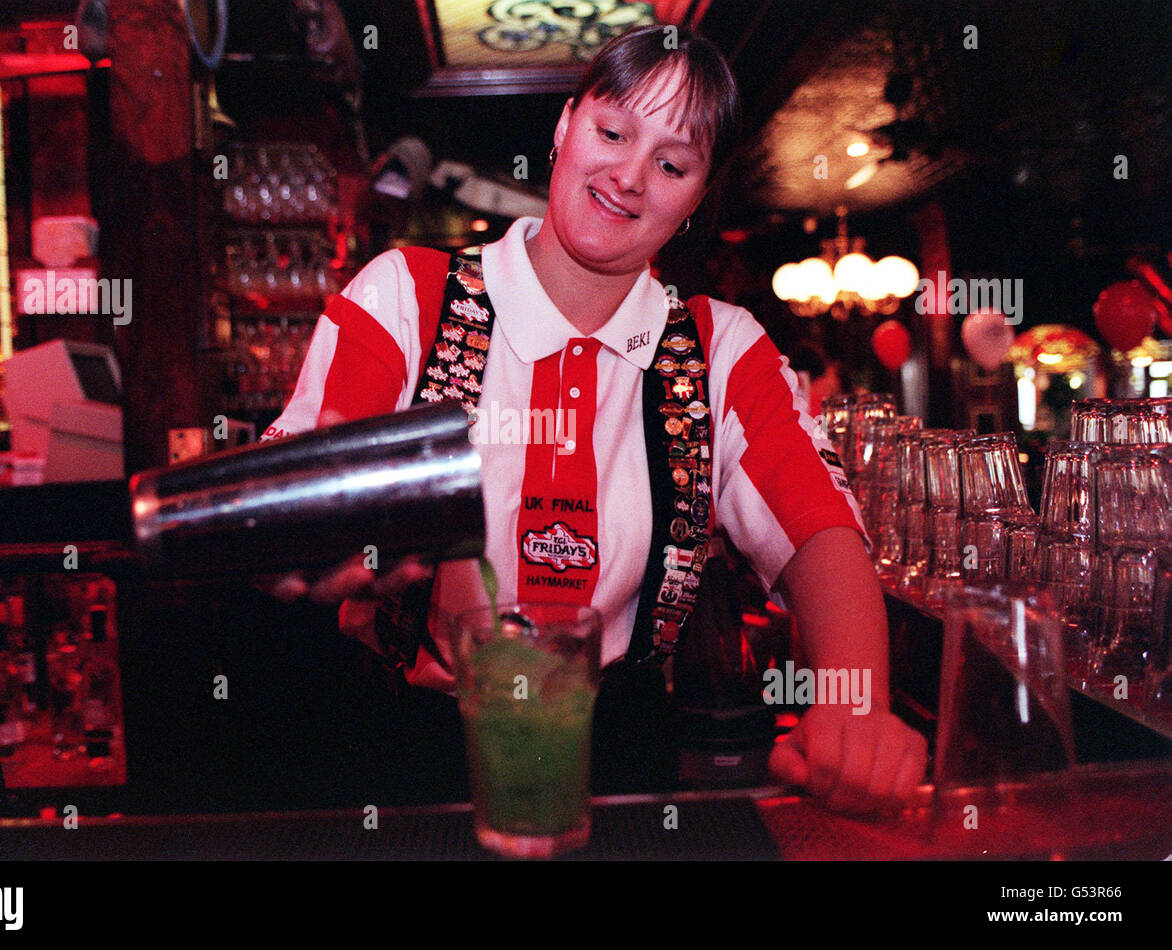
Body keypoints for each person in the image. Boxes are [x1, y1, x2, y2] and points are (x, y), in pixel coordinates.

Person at [261, 25, 927, 814]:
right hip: (406, 756)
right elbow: (310, 476)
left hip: (620, 756)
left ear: (697, 197)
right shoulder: (405, 294)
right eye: (612, 133)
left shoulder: (720, 349)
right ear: (564, 125)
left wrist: (853, 704)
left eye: (672, 164)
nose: (629, 177)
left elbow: (817, 530)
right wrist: (311, 524)